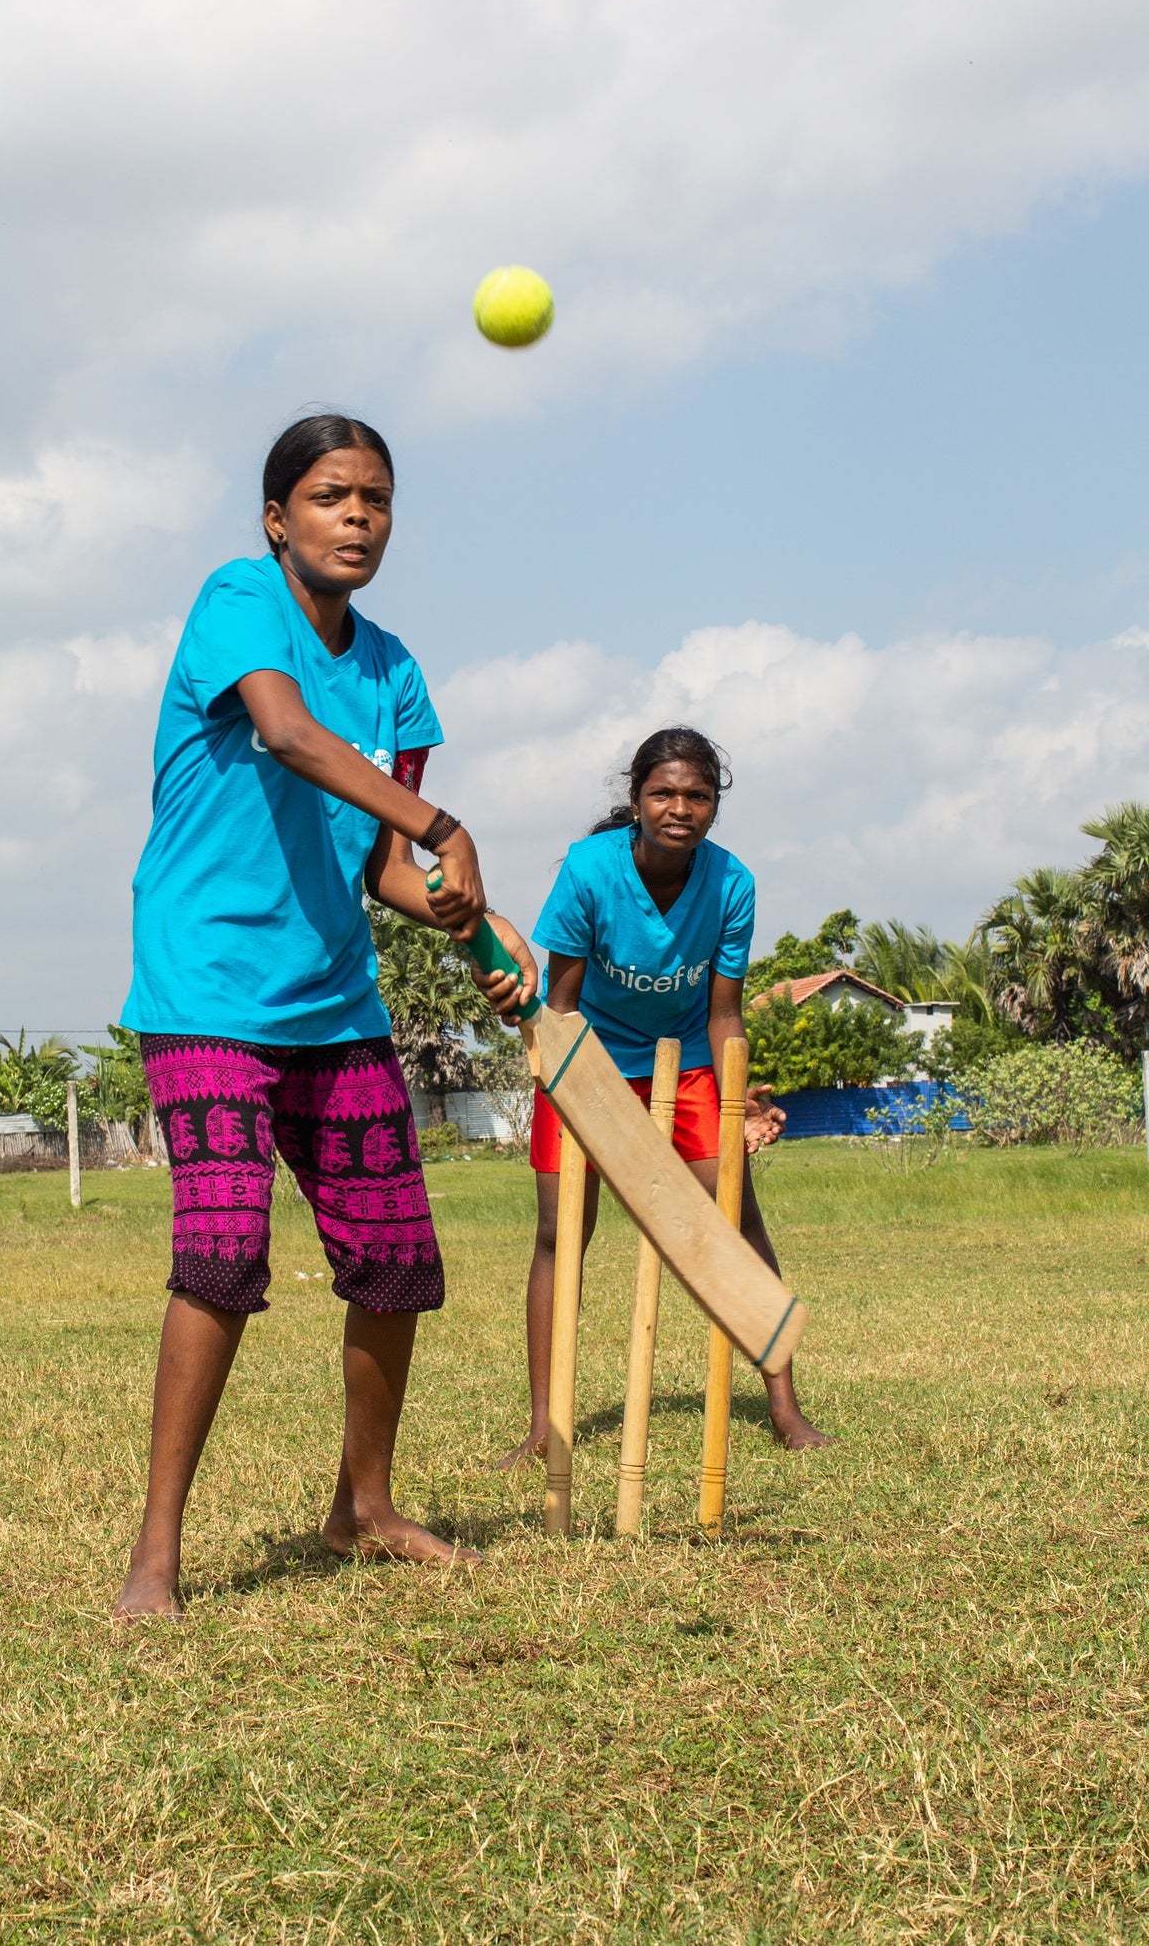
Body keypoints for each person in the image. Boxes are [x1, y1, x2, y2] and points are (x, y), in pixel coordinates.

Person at [114, 412, 535, 1620]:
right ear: (277, 517)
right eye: (333, 496)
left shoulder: (395, 670)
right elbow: (290, 734)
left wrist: (474, 928)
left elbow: (379, 867)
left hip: (335, 998)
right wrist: (441, 826)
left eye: (378, 501)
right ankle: (157, 1549)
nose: (359, 518)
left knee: (397, 1258)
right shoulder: (236, 596)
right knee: (222, 1247)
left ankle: (363, 1506)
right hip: (207, 989)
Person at [489, 725, 830, 1470]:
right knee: (559, 1230)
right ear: (637, 798)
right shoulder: (589, 870)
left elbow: (725, 1012)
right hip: (588, 1058)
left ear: (715, 804)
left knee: (734, 1218)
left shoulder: (732, 883)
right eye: (664, 793)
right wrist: (576, 1090)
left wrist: (739, 1103)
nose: (680, 808)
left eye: (697, 795)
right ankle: (546, 1423)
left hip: (690, 1060)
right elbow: (566, 1001)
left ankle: (784, 1406)